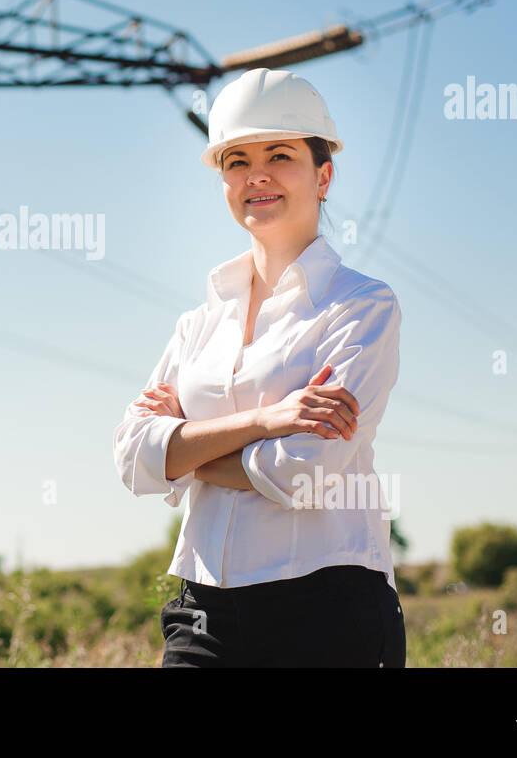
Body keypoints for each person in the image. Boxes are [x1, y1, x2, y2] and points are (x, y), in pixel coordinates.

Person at [112, 68, 406, 668]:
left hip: (327, 605)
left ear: (323, 176)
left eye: (280, 155)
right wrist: (269, 419)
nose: (258, 175)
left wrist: (185, 454)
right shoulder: (198, 324)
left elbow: (301, 472)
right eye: (238, 160)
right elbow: (132, 460)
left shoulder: (361, 306)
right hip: (204, 610)